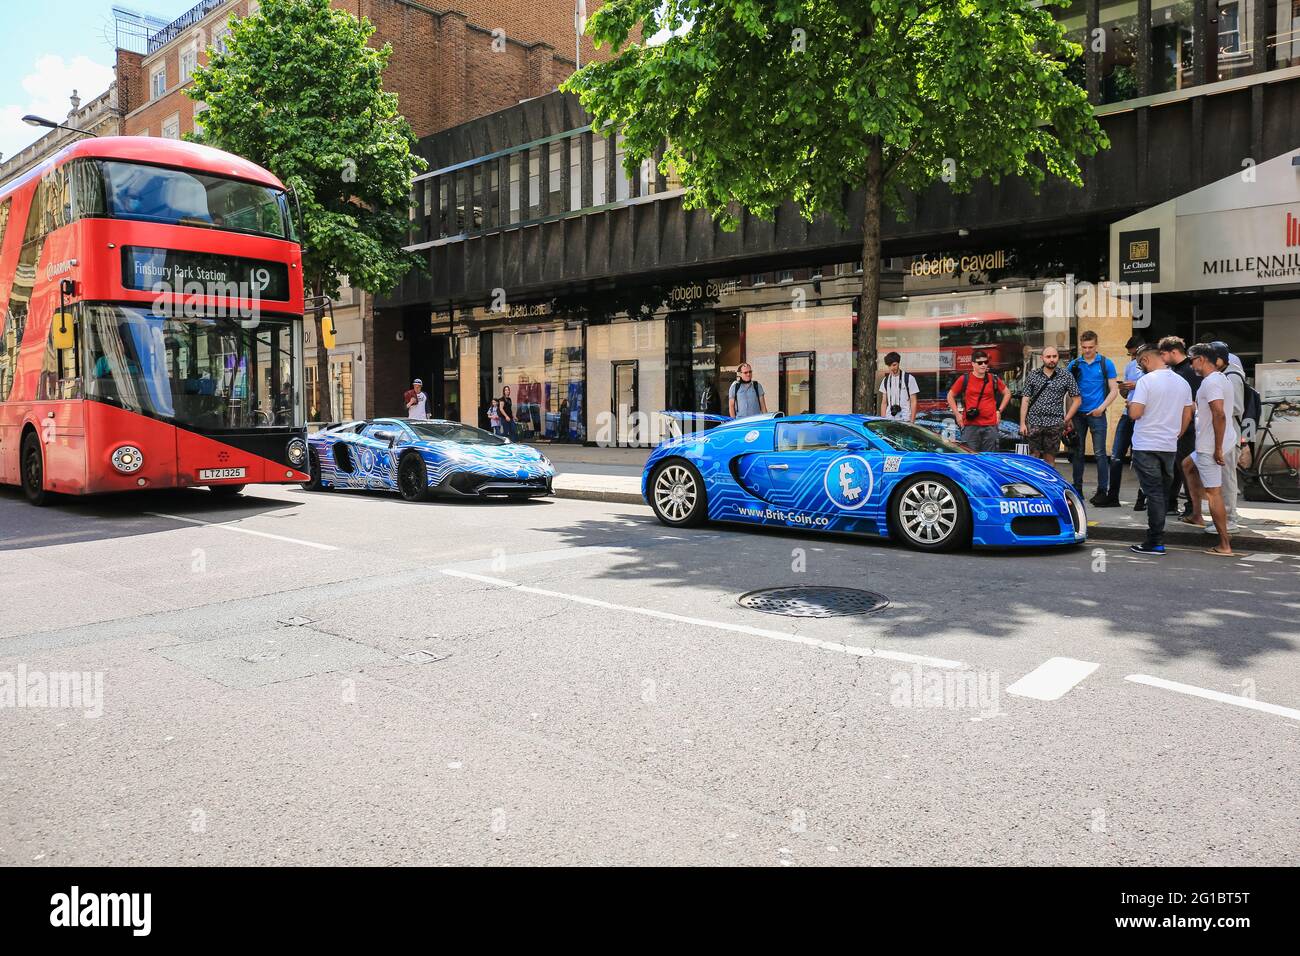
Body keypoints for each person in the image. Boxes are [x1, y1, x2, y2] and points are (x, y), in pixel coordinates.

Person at [1127, 344, 1195, 556]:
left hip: (1146, 444)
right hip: (1168, 445)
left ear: (1146, 360)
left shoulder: (1146, 381)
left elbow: (1136, 413)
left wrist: (1130, 406)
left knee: (1153, 493)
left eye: (1140, 364)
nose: (1141, 368)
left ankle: (1155, 540)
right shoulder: (1182, 382)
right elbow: (1187, 414)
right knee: (1163, 493)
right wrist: (1177, 434)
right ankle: (1156, 537)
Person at [1179, 343, 1236, 556]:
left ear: (1201, 359)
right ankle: (1196, 514)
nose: (1191, 364)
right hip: (1213, 443)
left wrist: (1218, 449)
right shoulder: (1220, 379)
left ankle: (1224, 545)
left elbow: (1219, 414)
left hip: (1210, 447)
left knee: (1214, 493)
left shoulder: (1211, 382)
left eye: (1192, 359)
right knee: (1187, 465)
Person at [1067, 331, 1119, 506]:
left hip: (1097, 413)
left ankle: (1102, 491)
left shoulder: (1106, 363)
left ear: (1096, 346)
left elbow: (1114, 390)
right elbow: (1066, 391)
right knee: (1077, 453)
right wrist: (1068, 416)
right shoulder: (1074, 364)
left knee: (1100, 454)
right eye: (1084, 347)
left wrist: (1101, 408)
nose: (1087, 351)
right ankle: (1077, 488)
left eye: (1090, 347)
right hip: (1078, 414)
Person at [1018, 346, 1081, 467]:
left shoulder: (1066, 375)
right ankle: (1033, 484)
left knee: (1050, 459)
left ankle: (1047, 485)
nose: (1051, 359)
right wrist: (1022, 423)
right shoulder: (1033, 375)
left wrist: (1066, 420)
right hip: (1034, 421)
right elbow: (1025, 400)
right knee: (1033, 458)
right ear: (1042, 358)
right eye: (1048, 357)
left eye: (1054, 356)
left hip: (1055, 423)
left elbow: (1077, 400)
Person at [1103, 336, 1146, 509]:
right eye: (1129, 354)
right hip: (1127, 413)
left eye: (1134, 354)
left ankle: (1141, 499)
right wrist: (1124, 389)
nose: (1131, 358)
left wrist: (1137, 385)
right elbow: (1126, 395)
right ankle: (1112, 496)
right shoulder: (1130, 366)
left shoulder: (1152, 369)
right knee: (1116, 456)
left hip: (1143, 417)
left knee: (1142, 458)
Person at [1159, 336, 1200, 518]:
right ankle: (1170, 503)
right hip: (1175, 426)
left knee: (1186, 468)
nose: (1161, 358)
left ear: (1173, 352)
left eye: (1163, 354)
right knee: (1174, 468)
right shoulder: (1174, 370)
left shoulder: (1189, 371)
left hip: (1188, 427)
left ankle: (1192, 507)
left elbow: (1193, 402)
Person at [946, 350, 1009, 452]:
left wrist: (999, 411)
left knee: (989, 459)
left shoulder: (993, 379)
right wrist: (957, 414)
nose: (983, 365)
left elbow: (1007, 393)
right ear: (973, 364)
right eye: (980, 363)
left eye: (985, 362)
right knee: (970, 457)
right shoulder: (964, 378)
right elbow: (950, 396)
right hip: (971, 425)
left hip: (990, 425)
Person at [1212, 340, 1245, 533]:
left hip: (1229, 431)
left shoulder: (1232, 376)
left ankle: (1230, 518)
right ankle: (1223, 516)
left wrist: (1212, 407)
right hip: (1223, 431)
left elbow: (1237, 407)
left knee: (1228, 477)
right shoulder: (1223, 374)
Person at [878, 352, 920, 422]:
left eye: (894, 365)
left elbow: (914, 401)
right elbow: (884, 403)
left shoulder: (909, 378)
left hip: (905, 420)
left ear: (898, 363)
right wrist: (883, 421)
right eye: (889, 366)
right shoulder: (885, 380)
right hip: (889, 420)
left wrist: (912, 422)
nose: (892, 368)